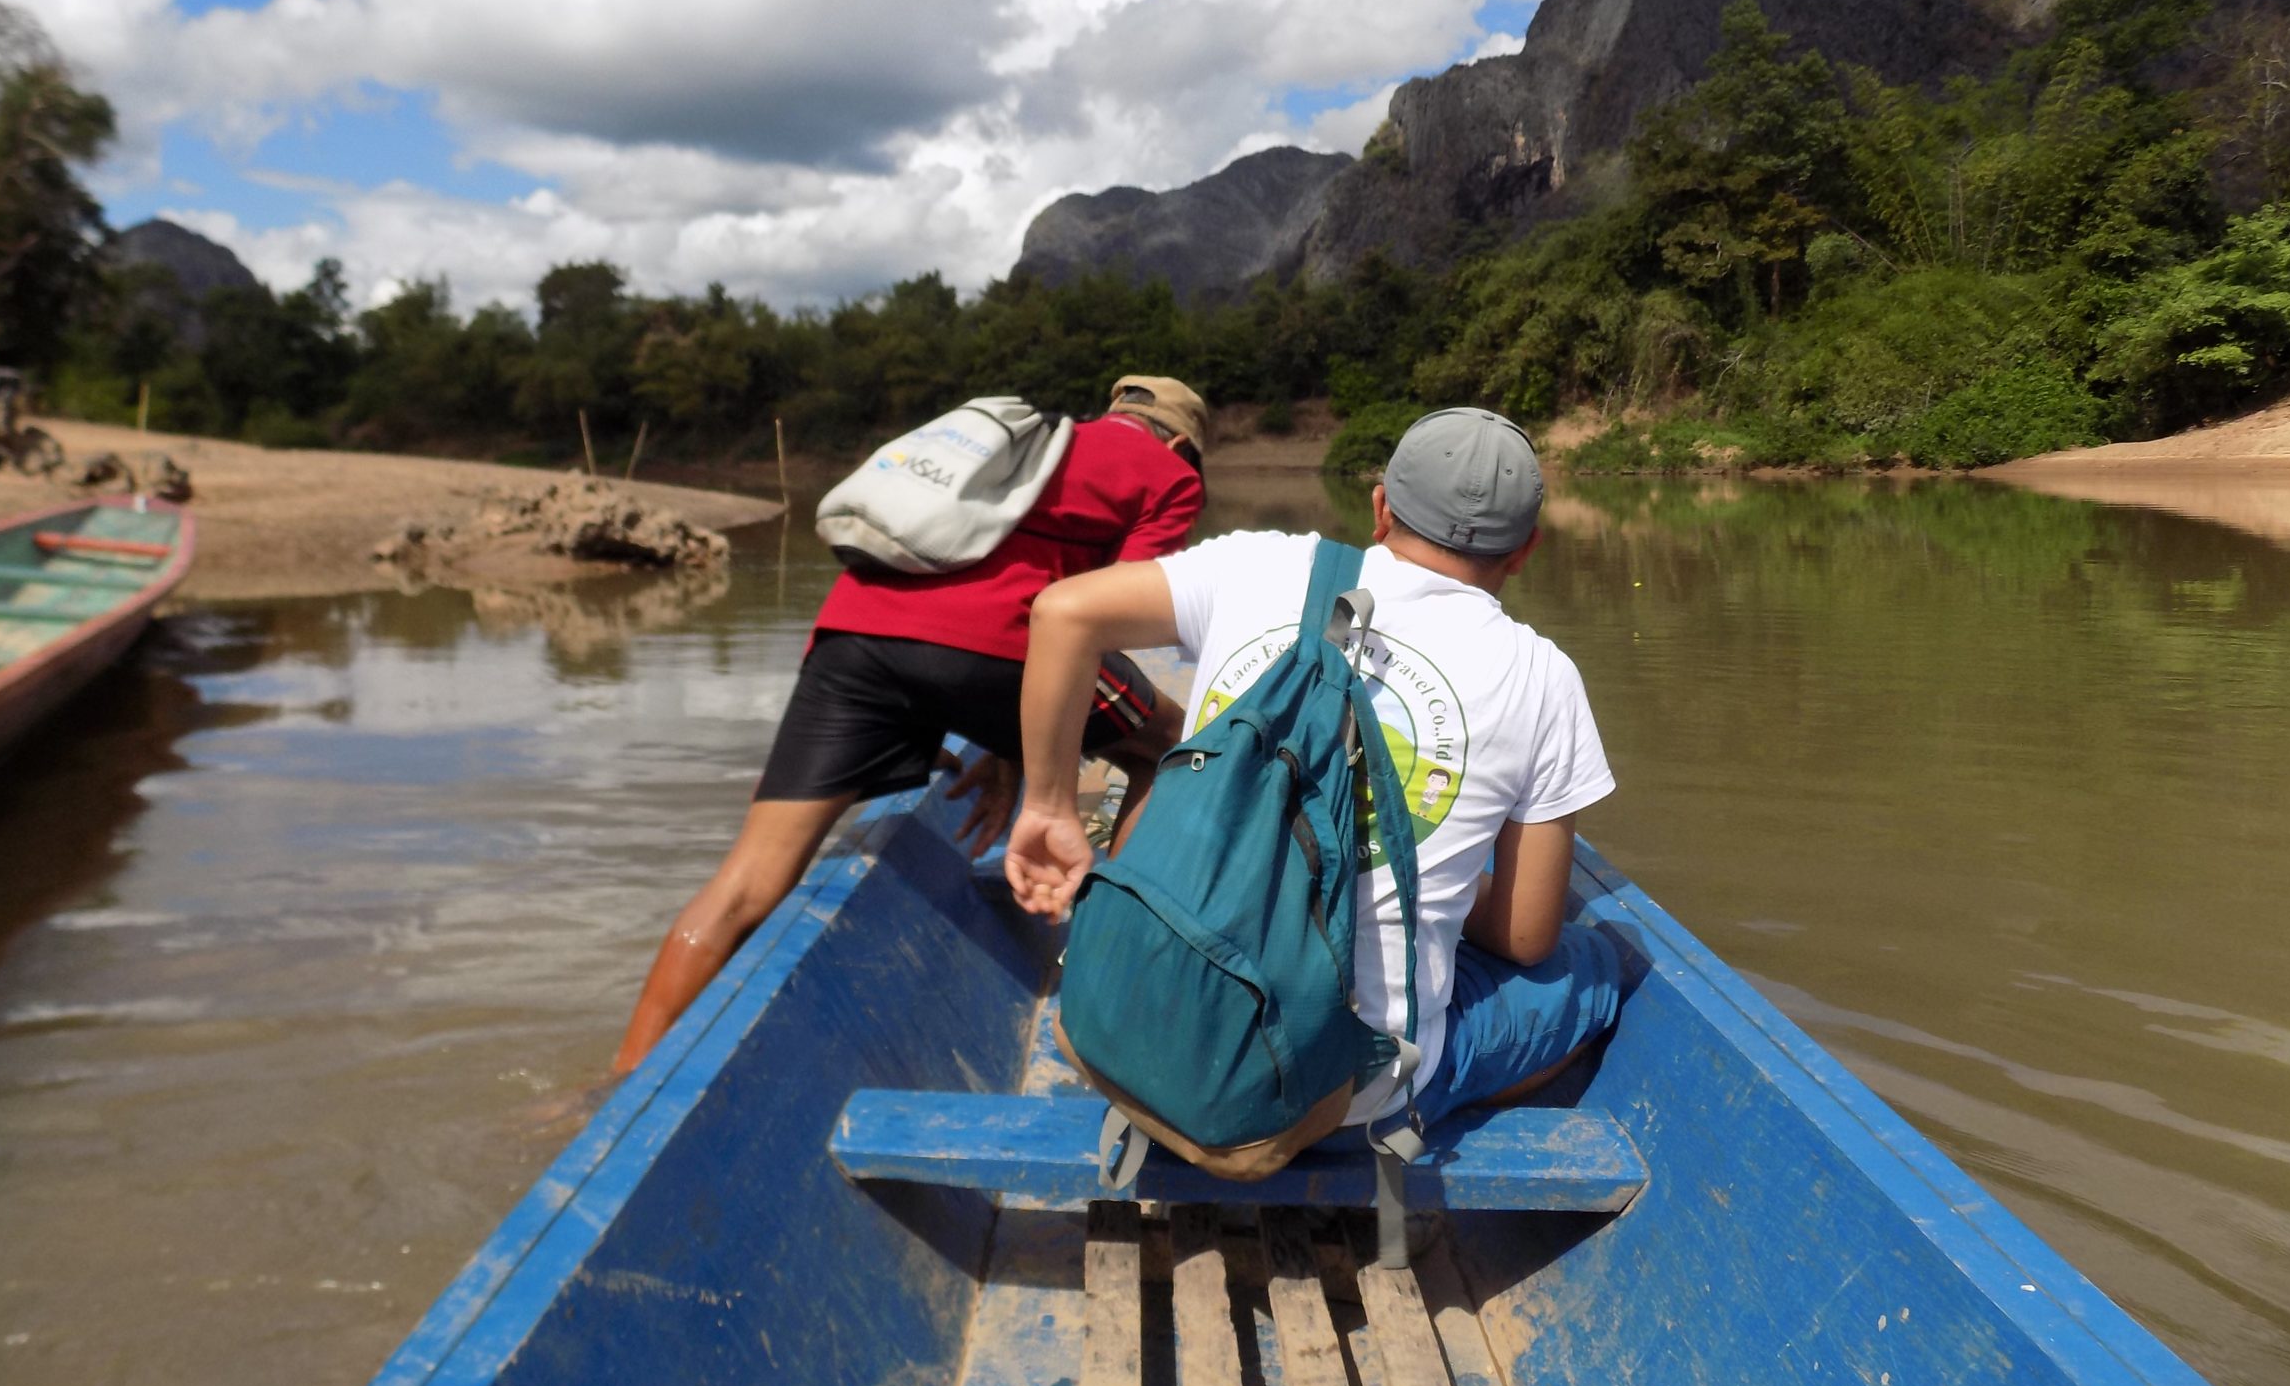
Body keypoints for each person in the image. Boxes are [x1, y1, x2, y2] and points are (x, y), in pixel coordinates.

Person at [1004, 405, 1622, 1133]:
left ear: (1381, 507)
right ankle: (1413, 1112)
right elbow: (1525, 937)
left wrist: (1047, 805)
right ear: (1525, 551)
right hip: (1338, 1087)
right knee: (1596, 969)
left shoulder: (1262, 564)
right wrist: (1429, 879)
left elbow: (1062, 612)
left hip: (1127, 1012)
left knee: (1166, 784)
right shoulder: (1545, 678)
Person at [607, 376, 1212, 1075]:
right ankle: (1126, 950)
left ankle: (621, 1077)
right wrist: (1030, 735)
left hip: (854, 634)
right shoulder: (1168, 473)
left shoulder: (1031, 443)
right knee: (1170, 745)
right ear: (1178, 443)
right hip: (1001, 646)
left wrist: (1007, 739)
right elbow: (1107, 610)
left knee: (747, 879)